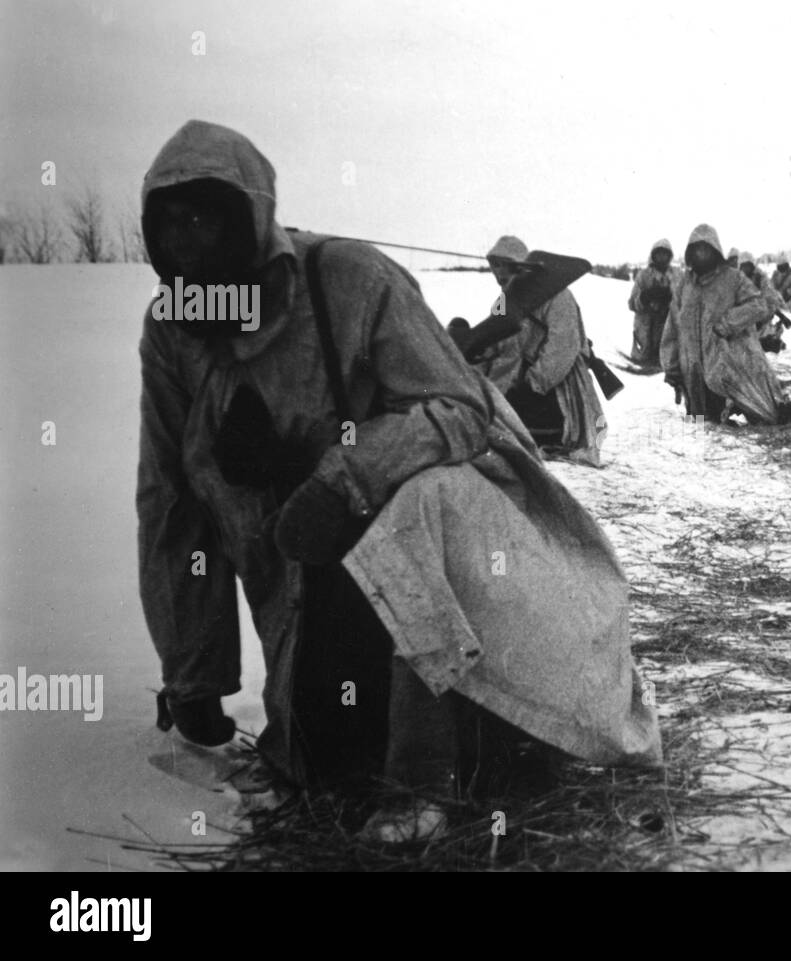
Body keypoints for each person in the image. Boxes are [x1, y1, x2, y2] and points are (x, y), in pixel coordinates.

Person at [136, 120, 661, 840]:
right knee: (323, 766)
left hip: (442, 550)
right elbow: (169, 501)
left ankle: (431, 775)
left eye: (204, 219)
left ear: (248, 218)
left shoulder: (351, 282)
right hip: (305, 583)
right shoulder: (174, 335)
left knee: (489, 739)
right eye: (170, 225)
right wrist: (192, 668)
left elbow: (462, 407)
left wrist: (342, 474)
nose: (188, 243)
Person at [485, 235, 608, 467]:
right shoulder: (503, 301)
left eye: (505, 266)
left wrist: (534, 382)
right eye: (495, 266)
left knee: (548, 433)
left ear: (521, 267)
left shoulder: (558, 296)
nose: (500, 274)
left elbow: (562, 347)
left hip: (557, 382)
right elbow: (496, 340)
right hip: (519, 378)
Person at [660, 224, 783, 424]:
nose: (701, 254)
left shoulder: (733, 278)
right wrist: (671, 367)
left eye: (706, 249)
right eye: (697, 249)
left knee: (761, 414)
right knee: (700, 425)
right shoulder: (684, 284)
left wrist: (728, 323)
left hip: (728, 363)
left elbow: (760, 304)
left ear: (715, 250)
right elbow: (673, 327)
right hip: (693, 368)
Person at [627, 238, 680, 368]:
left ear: (669, 256)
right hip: (645, 330)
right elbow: (632, 303)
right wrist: (645, 297)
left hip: (668, 327)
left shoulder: (677, 276)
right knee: (642, 365)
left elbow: (684, 302)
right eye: (659, 253)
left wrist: (670, 299)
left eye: (665, 254)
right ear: (653, 255)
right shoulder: (643, 276)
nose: (662, 257)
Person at [738, 251, 788, 352]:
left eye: (748, 266)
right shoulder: (737, 278)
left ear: (752, 265)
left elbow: (769, 296)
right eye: (743, 266)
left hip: (761, 312)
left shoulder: (761, 277)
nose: (745, 269)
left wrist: (764, 314)